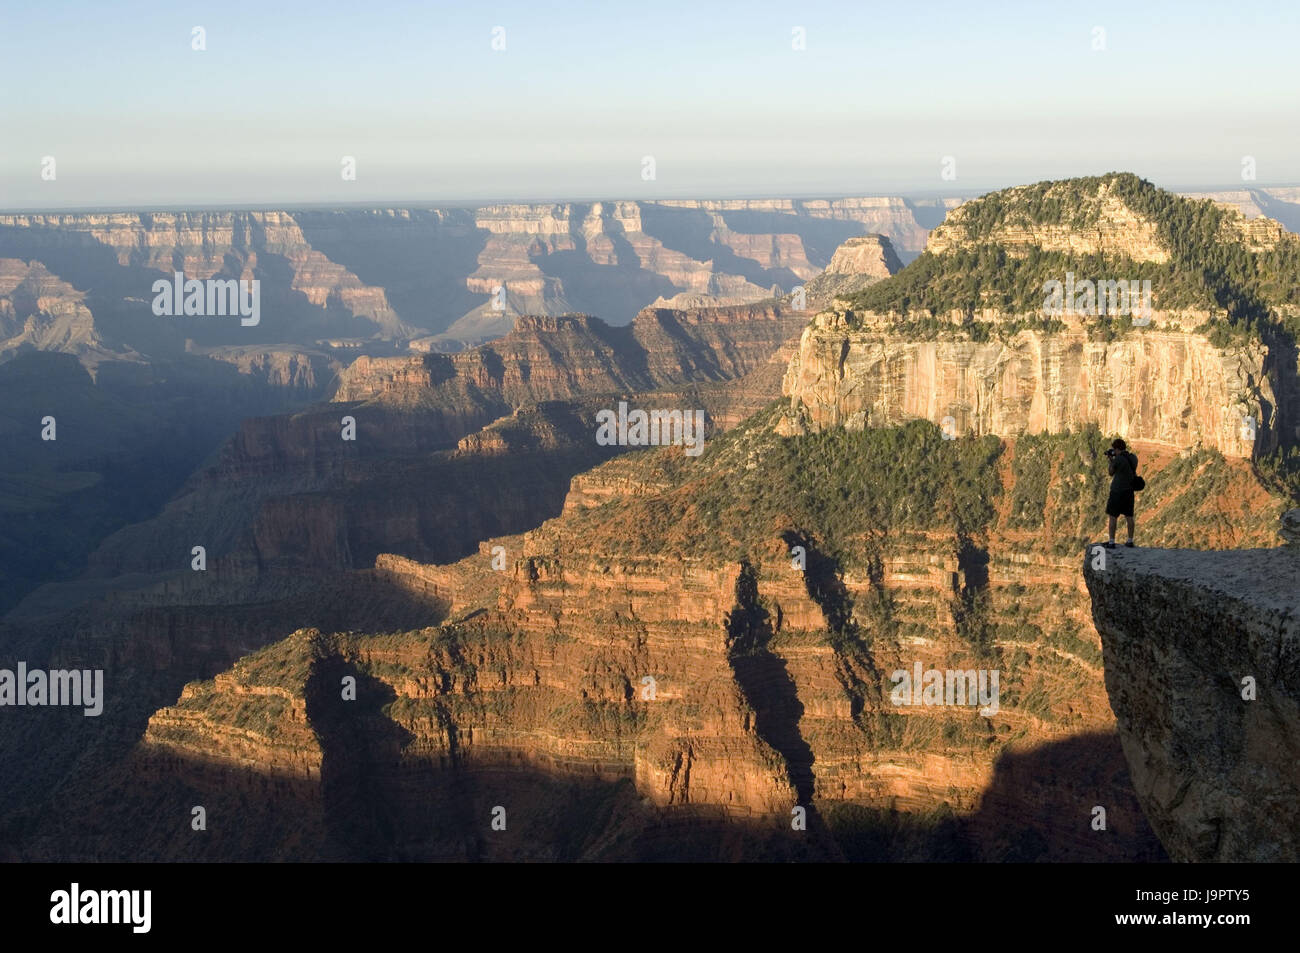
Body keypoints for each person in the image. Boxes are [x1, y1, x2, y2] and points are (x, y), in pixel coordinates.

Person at [1104, 438, 1138, 548]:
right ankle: (1130, 540)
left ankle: (1111, 542)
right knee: (1129, 516)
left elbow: (1111, 472)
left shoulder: (1118, 459)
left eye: (1114, 449)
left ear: (1117, 449)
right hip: (1129, 491)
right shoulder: (1133, 457)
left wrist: (1111, 460)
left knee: (1113, 516)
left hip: (1117, 491)